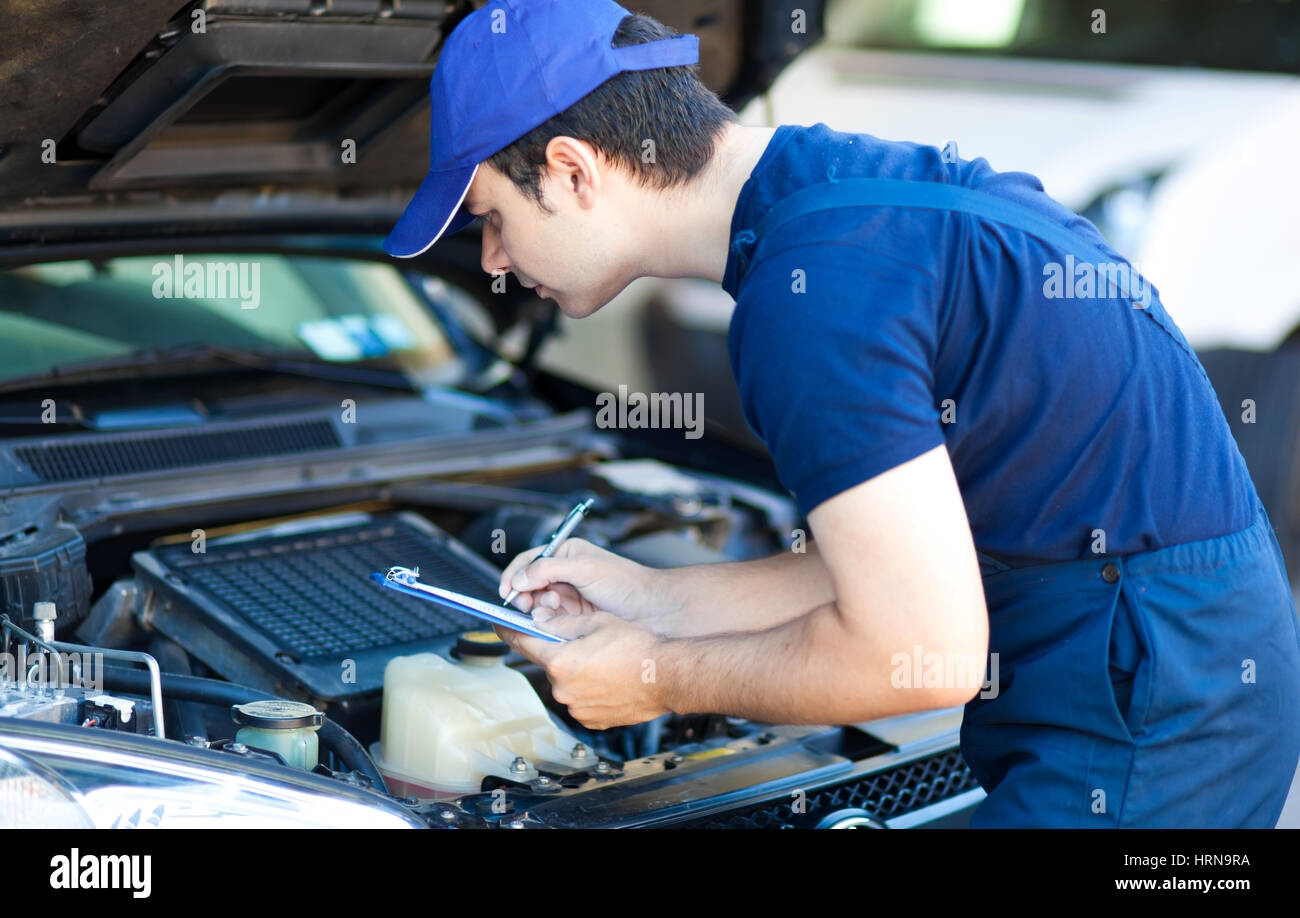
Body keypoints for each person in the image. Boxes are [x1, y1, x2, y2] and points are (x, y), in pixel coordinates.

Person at [385, 0, 1300, 827]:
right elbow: (884, 567)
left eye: (489, 217)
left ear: (574, 170)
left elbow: (923, 653)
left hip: (1153, 718)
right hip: (1182, 661)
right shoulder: (835, 199)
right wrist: (649, 597)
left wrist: (653, 676)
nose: (494, 261)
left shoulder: (809, 299)